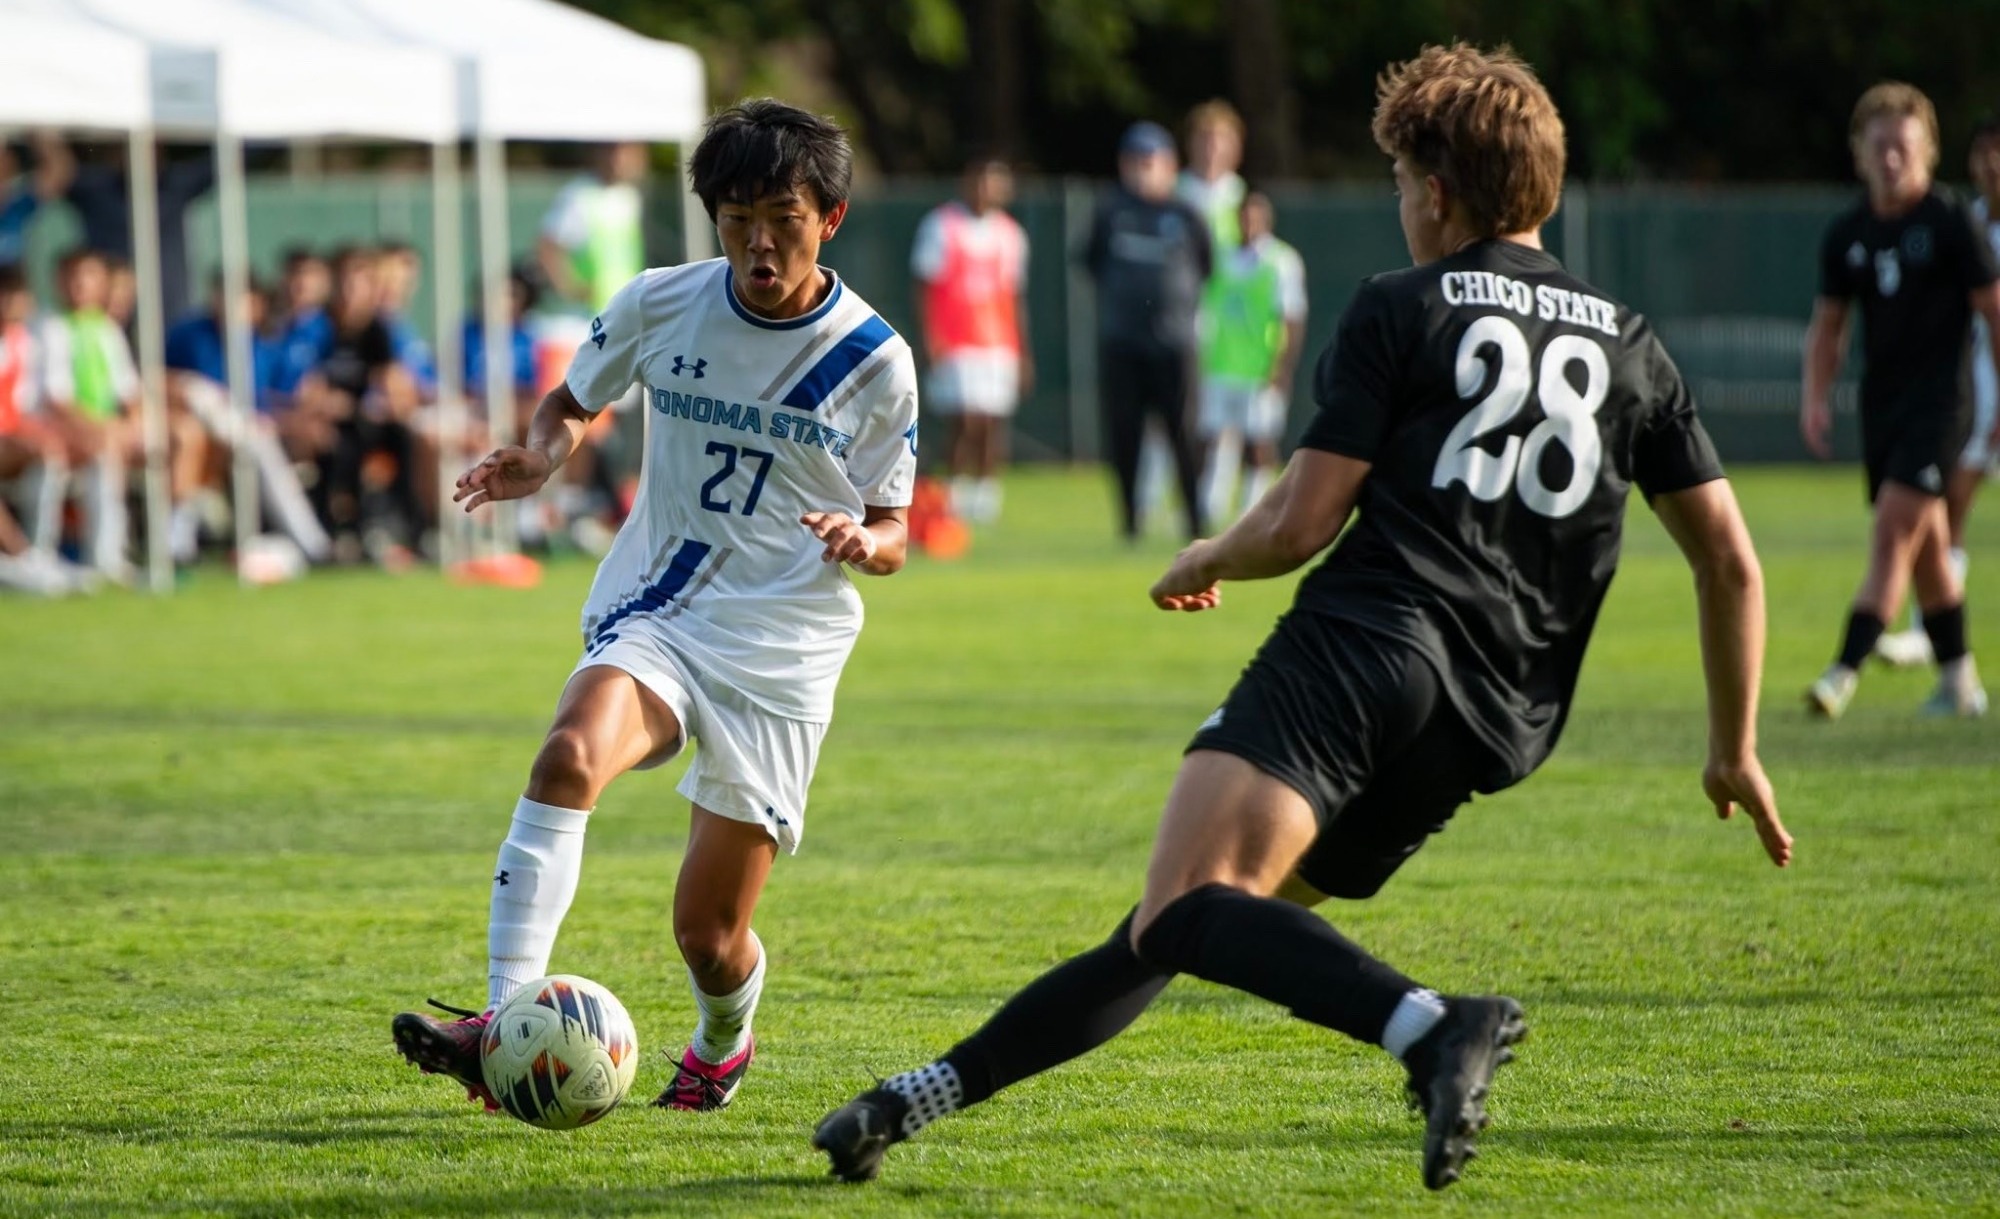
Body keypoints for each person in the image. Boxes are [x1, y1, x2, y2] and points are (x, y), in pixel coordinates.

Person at [814, 42, 1792, 1192]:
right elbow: (1727, 562)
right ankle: (905, 1101)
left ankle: (1430, 1026)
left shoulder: (1403, 306)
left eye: (1397, 187)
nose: (1397, 212)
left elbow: (1301, 520)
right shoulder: (1633, 348)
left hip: (1367, 648)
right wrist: (1732, 745)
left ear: (1434, 191)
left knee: (1189, 904)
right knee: (1181, 921)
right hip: (1488, 724)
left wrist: (1205, 552)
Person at [392, 99, 920, 1117]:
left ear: (831, 218)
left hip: (783, 651)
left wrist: (867, 541)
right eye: (734, 220)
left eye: (782, 217)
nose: (758, 244)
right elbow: (573, 399)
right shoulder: (660, 302)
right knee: (567, 754)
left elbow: (895, 526)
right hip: (664, 611)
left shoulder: (873, 361)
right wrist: (543, 454)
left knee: (707, 936)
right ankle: (500, 1028)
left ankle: (723, 1041)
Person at [1801, 82, 1999, 718]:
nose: (1891, 159)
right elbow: (1829, 325)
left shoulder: (1949, 224)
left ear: (1929, 153)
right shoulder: (1848, 233)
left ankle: (1842, 671)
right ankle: (1960, 683)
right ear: (1859, 152)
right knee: (1929, 548)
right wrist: (1815, 397)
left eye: (1904, 148)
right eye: (1879, 146)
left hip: (1943, 406)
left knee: (1893, 529)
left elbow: (1995, 314)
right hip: (1882, 405)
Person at [1874, 115, 2000, 668]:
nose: (1993, 165)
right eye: (1984, 153)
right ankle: (1932, 632)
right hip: (1974, 389)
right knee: (1949, 507)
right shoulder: (1962, 221)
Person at [1085, 121, 1212, 542]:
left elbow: (1206, 266)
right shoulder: (1110, 211)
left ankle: (1195, 519)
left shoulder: (1186, 214)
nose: (1142, 170)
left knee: (1184, 435)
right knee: (1124, 436)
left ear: (1169, 165)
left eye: (1150, 161)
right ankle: (1130, 520)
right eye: (1134, 161)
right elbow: (1092, 263)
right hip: (1122, 344)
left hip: (1174, 345)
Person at [164, 274, 332, 563]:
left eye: (240, 298)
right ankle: (176, 545)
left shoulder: (266, 343)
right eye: (222, 295)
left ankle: (313, 547)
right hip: (192, 426)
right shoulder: (190, 335)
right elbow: (157, 379)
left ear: (257, 305)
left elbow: (278, 399)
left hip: (248, 434)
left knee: (260, 440)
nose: (229, 305)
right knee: (205, 401)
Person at [911, 156, 1031, 524]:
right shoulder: (941, 225)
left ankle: (986, 493)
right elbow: (924, 286)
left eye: (993, 182)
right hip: (957, 342)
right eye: (979, 180)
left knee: (992, 421)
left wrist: (1022, 349)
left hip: (997, 343)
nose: (985, 190)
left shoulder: (1011, 234)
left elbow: (1014, 296)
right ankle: (957, 490)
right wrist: (931, 338)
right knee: (963, 420)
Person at [296, 247, 422, 564]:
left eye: (360, 283)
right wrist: (326, 401)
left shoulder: (377, 330)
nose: (351, 292)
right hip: (322, 424)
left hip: (359, 419)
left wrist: (390, 400)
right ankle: (336, 532)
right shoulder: (318, 328)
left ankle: (410, 529)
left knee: (400, 436)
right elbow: (303, 387)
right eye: (346, 283)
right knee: (337, 447)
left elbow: (391, 380)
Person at [1197, 190, 1307, 524]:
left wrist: (1281, 367)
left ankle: (1254, 508)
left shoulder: (1281, 262)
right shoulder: (1220, 257)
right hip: (1221, 364)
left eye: (1255, 217)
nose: (1248, 224)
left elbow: (1292, 317)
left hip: (1259, 368)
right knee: (1217, 438)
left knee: (1259, 442)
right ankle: (1209, 508)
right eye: (1243, 217)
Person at [0, 132, 73, 273]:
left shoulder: (17, 211)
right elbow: (60, 171)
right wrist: (36, 131)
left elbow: (58, 172)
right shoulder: (18, 211)